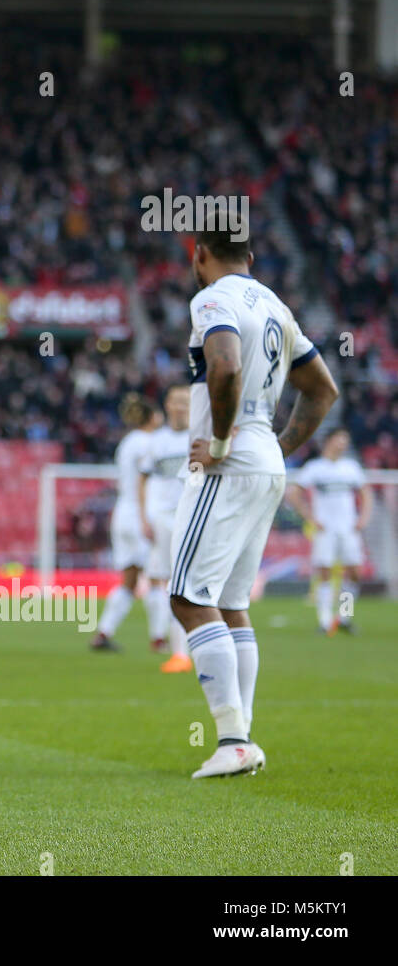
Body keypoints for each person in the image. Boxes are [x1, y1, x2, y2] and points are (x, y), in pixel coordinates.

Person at [172, 224, 337, 779]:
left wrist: (220, 444)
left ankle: (234, 739)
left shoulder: (211, 298)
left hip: (228, 464)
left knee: (189, 599)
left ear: (200, 256)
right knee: (232, 602)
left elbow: (225, 366)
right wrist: (278, 446)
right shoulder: (276, 305)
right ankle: (241, 737)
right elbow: (323, 389)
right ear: (252, 254)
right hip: (265, 460)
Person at [287, 428, 372, 635]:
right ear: (329, 441)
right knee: (324, 572)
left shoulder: (350, 468)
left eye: (345, 440)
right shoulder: (316, 468)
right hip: (325, 529)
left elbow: (366, 492)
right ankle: (325, 621)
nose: (342, 444)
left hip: (348, 527)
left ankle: (343, 617)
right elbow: (294, 493)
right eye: (339, 439)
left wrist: (363, 518)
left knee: (353, 572)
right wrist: (310, 517)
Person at [89, 394, 156, 651]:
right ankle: (160, 638)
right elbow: (146, 480)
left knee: (129, 579)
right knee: (158, 577)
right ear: (153, 417)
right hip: (142, 514)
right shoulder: (149, 443)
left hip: (122, 512)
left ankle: (103, 633)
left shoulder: (126, 443)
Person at [138, 386, 193, 672]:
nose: (180, 406)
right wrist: (144, 518)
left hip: (191, 517)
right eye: (176, 401)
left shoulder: (200, 438)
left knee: (180, 582)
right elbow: (143, 479)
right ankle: (176, 648)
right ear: (167, 406)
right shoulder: (155, 442)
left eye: (185, 401)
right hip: (162, 519)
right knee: (167, 581)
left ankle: (182, 649)